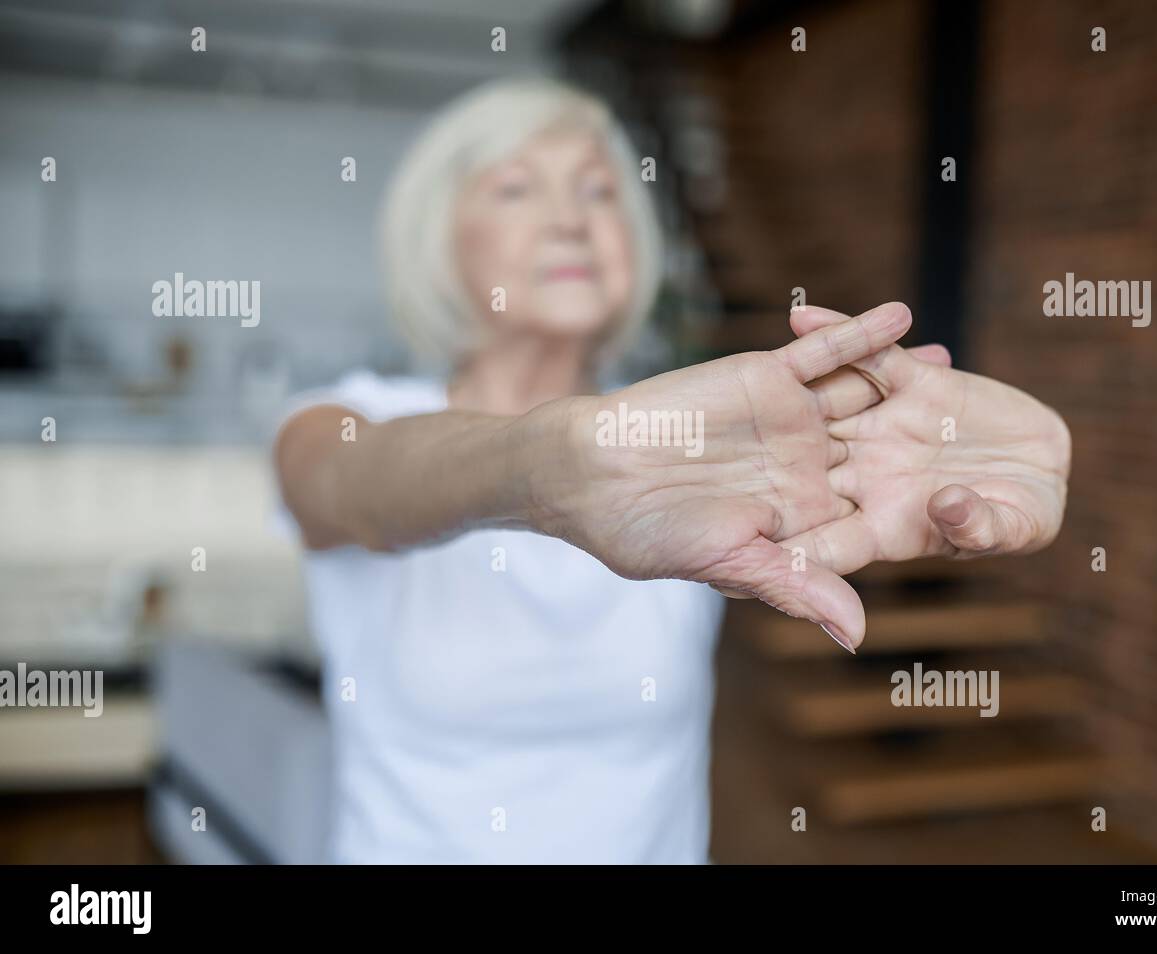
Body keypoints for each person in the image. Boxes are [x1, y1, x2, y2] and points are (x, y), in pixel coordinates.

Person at [272, 77, 1071, 863]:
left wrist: (919, 456)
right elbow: (356, 485)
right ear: (440, 237)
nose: (570, 221)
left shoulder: (700, 438)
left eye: (598, 192)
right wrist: (557, 463)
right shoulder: (347, 417)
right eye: (517, 190)